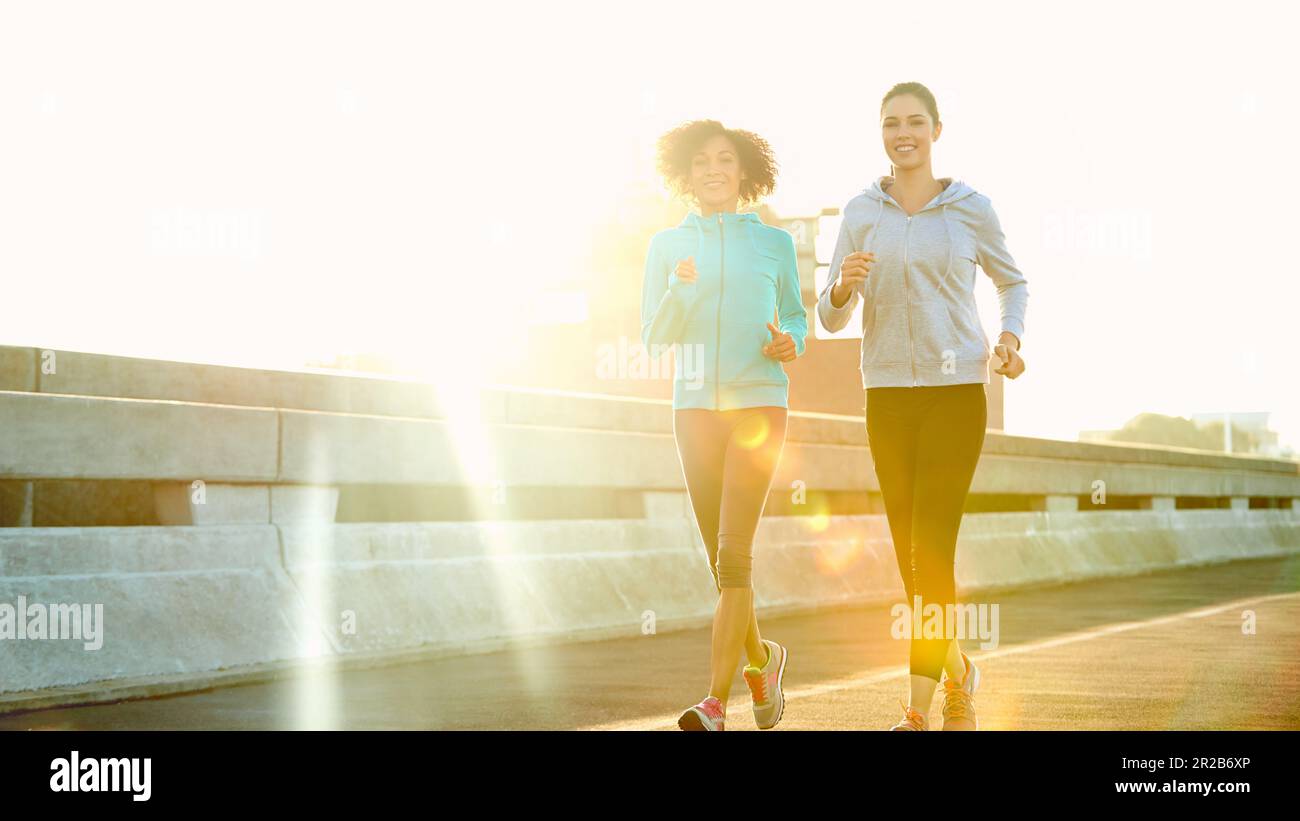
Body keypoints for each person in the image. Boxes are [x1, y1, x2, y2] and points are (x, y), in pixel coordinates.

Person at [817, 82, 1029, 731]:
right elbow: (827, 318)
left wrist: (1010, 339)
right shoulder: (860, 209)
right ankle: (960, 669)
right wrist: (843, 289)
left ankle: (919, 709)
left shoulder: (970, 208)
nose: (902, 132)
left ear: (936, 129)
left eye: (914, 121)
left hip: (957, 391)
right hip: (886, 395)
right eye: (890, 123)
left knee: (932, 545)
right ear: (881, 133)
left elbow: (1011, 279)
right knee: (907, 550)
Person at [641, 119, 808, 731]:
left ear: (744, 173)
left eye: (726, 160)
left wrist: (791, 342)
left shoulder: (774, 243)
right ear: (685, 174)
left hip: (760, 406)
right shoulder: (665, 247)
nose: (714, 170)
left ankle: (715, 702)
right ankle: (763, 663)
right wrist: (680, 291)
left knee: (735, 558)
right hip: (693, 411)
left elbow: (795, 314)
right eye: (702, 162)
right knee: (721, 562)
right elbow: (654, 340)